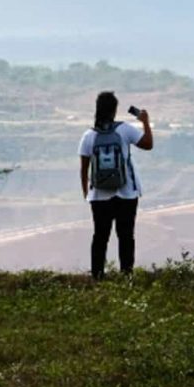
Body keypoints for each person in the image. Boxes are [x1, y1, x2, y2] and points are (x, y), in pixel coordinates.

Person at [77, 91, 153, 280]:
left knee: (100, 237)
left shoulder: (88, 136)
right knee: (126, 236)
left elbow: (84, 168)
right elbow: (148, 144)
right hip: (126, 193)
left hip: (99, 196)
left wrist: (87, 193)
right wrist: (144, 121)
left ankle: (97, 277)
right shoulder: (125, 130)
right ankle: (126, 275)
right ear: (114, 110)